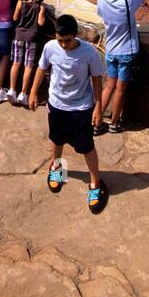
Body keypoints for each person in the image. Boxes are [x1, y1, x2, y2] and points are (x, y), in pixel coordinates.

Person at [29, 14, 109, 214]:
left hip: (81, 107)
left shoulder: (89, 52)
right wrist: (31, 92)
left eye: (68, 40)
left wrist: (98, 107)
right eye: (60, 40)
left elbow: (97, 80)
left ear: (76, 35)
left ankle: (95, 184)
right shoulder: (50, 47)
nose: (64, 45)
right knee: (57, 139)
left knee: (86, 146)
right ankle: (56, 168)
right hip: (57, 104)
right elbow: (41, 69)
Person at [95, 0, 149, 133]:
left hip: (111, 49)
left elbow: (101, 15)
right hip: (127, 51)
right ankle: (114, 123)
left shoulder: (101, 0)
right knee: (120, 88)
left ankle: (96, 120)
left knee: (109, 86)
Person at [8, 0, 51, 106]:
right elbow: (41, 23)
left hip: (18, 36)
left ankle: (11, 90)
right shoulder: (40, 7)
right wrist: (42, 11)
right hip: (32, 39)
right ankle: (24, 93)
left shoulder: (20, 3)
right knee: (28, 66)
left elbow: (15, 17)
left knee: (16, 64)